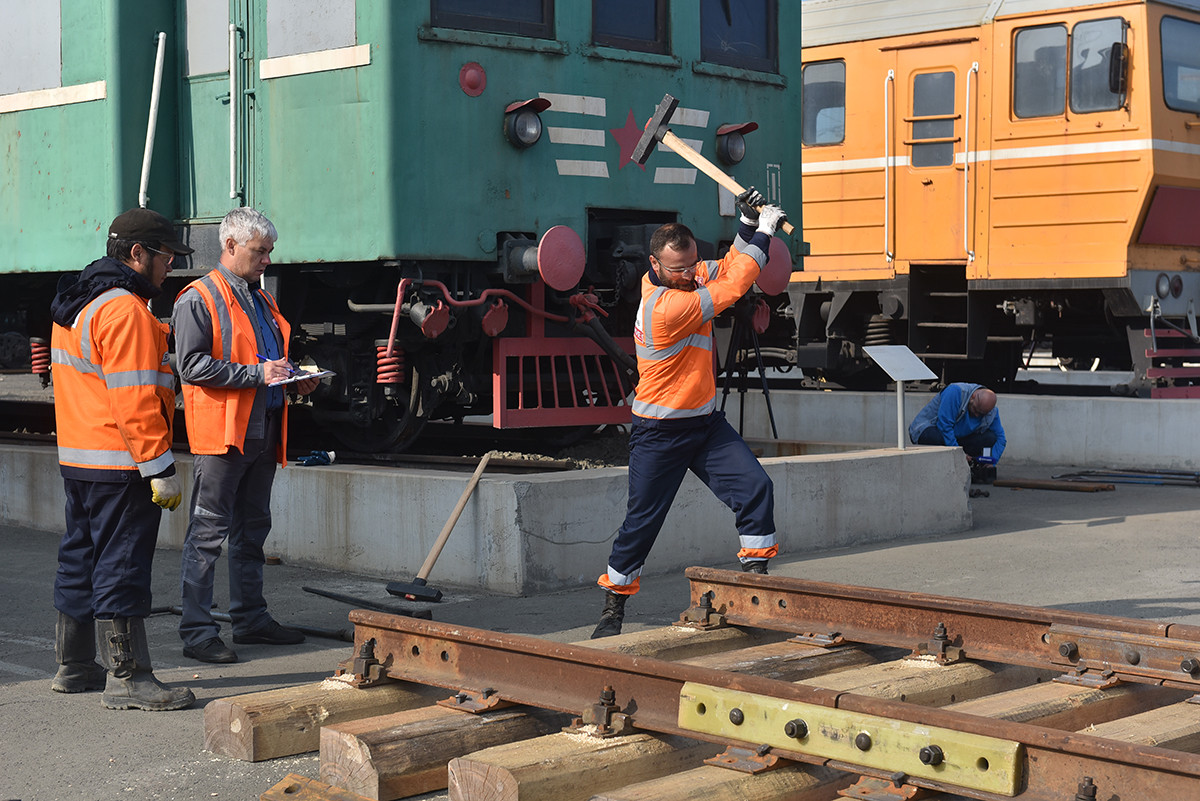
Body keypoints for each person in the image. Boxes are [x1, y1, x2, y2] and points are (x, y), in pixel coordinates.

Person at [590, 190, 788, 638]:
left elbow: (730, 266)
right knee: (642, 522)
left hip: (702, 424)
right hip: (659, 432)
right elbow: (736, 286)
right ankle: (613, 606)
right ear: (654, 266)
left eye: (691, 265)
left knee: (756, 487)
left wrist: (745, 224)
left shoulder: (689, 274)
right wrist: (766, 234)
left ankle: (755, 582)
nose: (687, 274)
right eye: (676, 269)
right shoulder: (666, 305)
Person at [49, 208, 196, 711]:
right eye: (165, 255)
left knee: (80, 558)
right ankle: (129, 678)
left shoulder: (79, 303)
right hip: (121, 463)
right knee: (122, 564)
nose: (170, 266)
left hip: (80, 460)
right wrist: (160, 468)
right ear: (137, 254)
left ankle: (74, 666)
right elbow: (134, 399)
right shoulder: (127, 310)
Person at [173, 207, 319, 664]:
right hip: (223, 435)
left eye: (270, 251)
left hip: (261, 431)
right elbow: (191, 367)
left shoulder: (260, 299)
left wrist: (293, 378)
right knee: (208, 533)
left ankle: (250, 619)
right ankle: (197, 631)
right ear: (230, 246)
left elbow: (265, 363)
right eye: (260, 251)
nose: (267, 260)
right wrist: (259, 374)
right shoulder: (198, 298)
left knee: (252, 530)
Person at [908, 383, 1007, 472]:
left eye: (981, 414)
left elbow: (1001, 439)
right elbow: (945, 426)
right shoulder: (955, 392)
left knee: (990, 437)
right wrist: (960, 455)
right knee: (935, 438)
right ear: (972, 397)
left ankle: (975, 465)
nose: (977, 415)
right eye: (976, 410)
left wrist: (992, 462)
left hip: (955, 437)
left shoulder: (992, 412)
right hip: (928, 430)